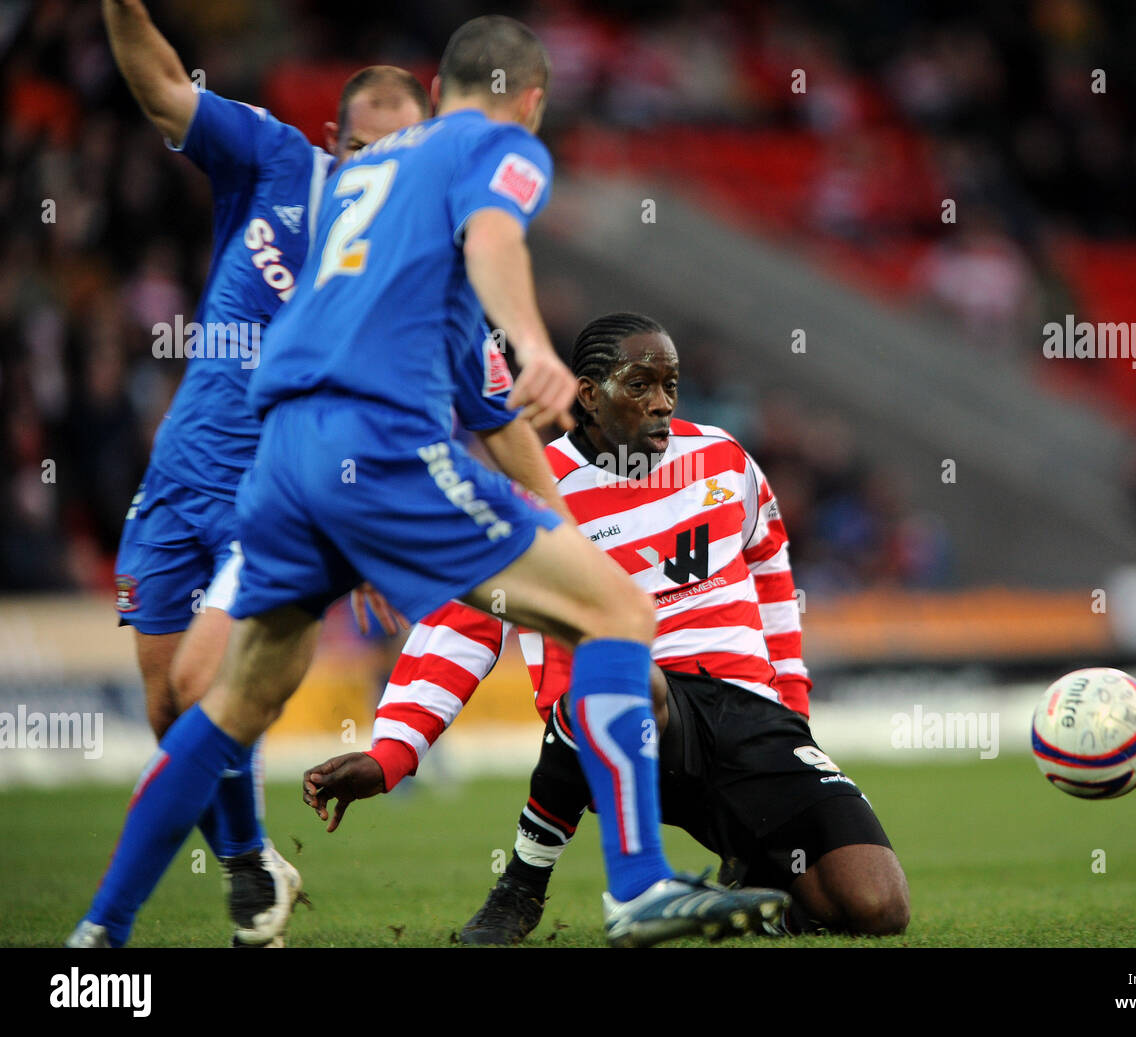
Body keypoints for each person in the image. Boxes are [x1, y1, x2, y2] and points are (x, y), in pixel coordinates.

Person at [69, 15, 786, 951]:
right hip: (379, 444)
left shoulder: (354, 184)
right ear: (527, 99)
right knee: (619, 614)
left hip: (281, 454)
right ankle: (639, 884)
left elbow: (466, 391)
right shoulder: (491, 149)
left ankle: (98, 938)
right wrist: (534, 344)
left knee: (228, 701)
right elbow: (494, 244)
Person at [302, 313, 911, 943]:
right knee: (624, 665)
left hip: (753, 717)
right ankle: (521, 886)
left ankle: (744, 901)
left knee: (876, 908)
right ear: (589, 395)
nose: (661, 404)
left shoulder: (723, 460)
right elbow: (461, 626)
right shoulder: (538, 491)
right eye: (640, 385)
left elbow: (774, 578)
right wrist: (393, 752)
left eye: (669, 385)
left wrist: (792, 707)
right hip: (633, 725)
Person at [101, 0, 434, 945]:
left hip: (274, 494)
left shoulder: (410, 264)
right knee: (169, 709)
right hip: (177, 471)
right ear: (335, 138)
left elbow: (403, 406)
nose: (384, 168)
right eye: (369, 146)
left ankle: (115, 924)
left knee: (209, 689)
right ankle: (253, 863)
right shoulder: (278, 163)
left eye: (406, 153)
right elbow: (164, 90)